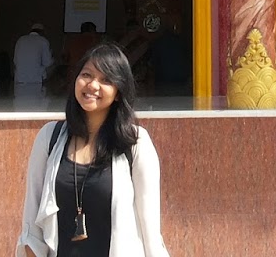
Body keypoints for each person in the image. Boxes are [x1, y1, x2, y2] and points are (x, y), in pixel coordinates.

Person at [17, 42, 169, 257]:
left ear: (118, 92)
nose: (93, 85)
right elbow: (31, 226)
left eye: (106, 80)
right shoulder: (49, 138)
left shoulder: (135, 144)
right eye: (87, 75)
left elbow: (150, 230)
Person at [14, 22, 55, 99]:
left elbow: (15, 61)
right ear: (42, 32)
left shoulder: (20, 40)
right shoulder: (43, 41)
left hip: (19, 79)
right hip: (36, 80)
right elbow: (47, 62)